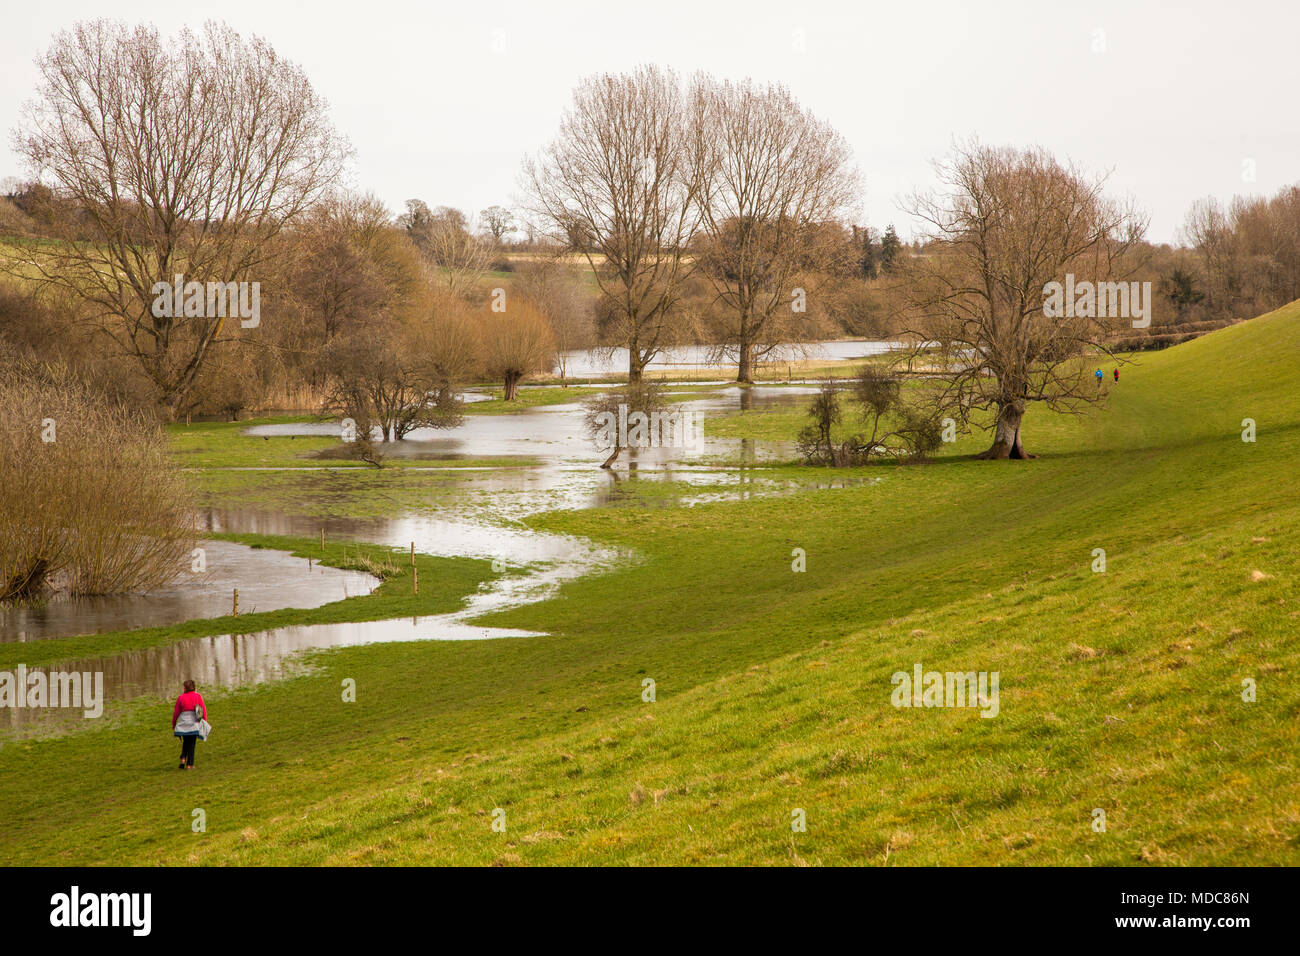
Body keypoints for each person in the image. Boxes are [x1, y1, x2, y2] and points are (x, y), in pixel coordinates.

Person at [172, 679, 208, 769]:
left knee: (186, 742)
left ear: (185, 688)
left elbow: (176, 712)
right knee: (192, 744)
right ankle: (190, 764)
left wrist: (174, 723)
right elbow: (202, 709)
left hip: (183, 723)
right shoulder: (197, 696)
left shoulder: (181, 698)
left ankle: (183, 758)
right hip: (194, 723)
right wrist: (204, 721)